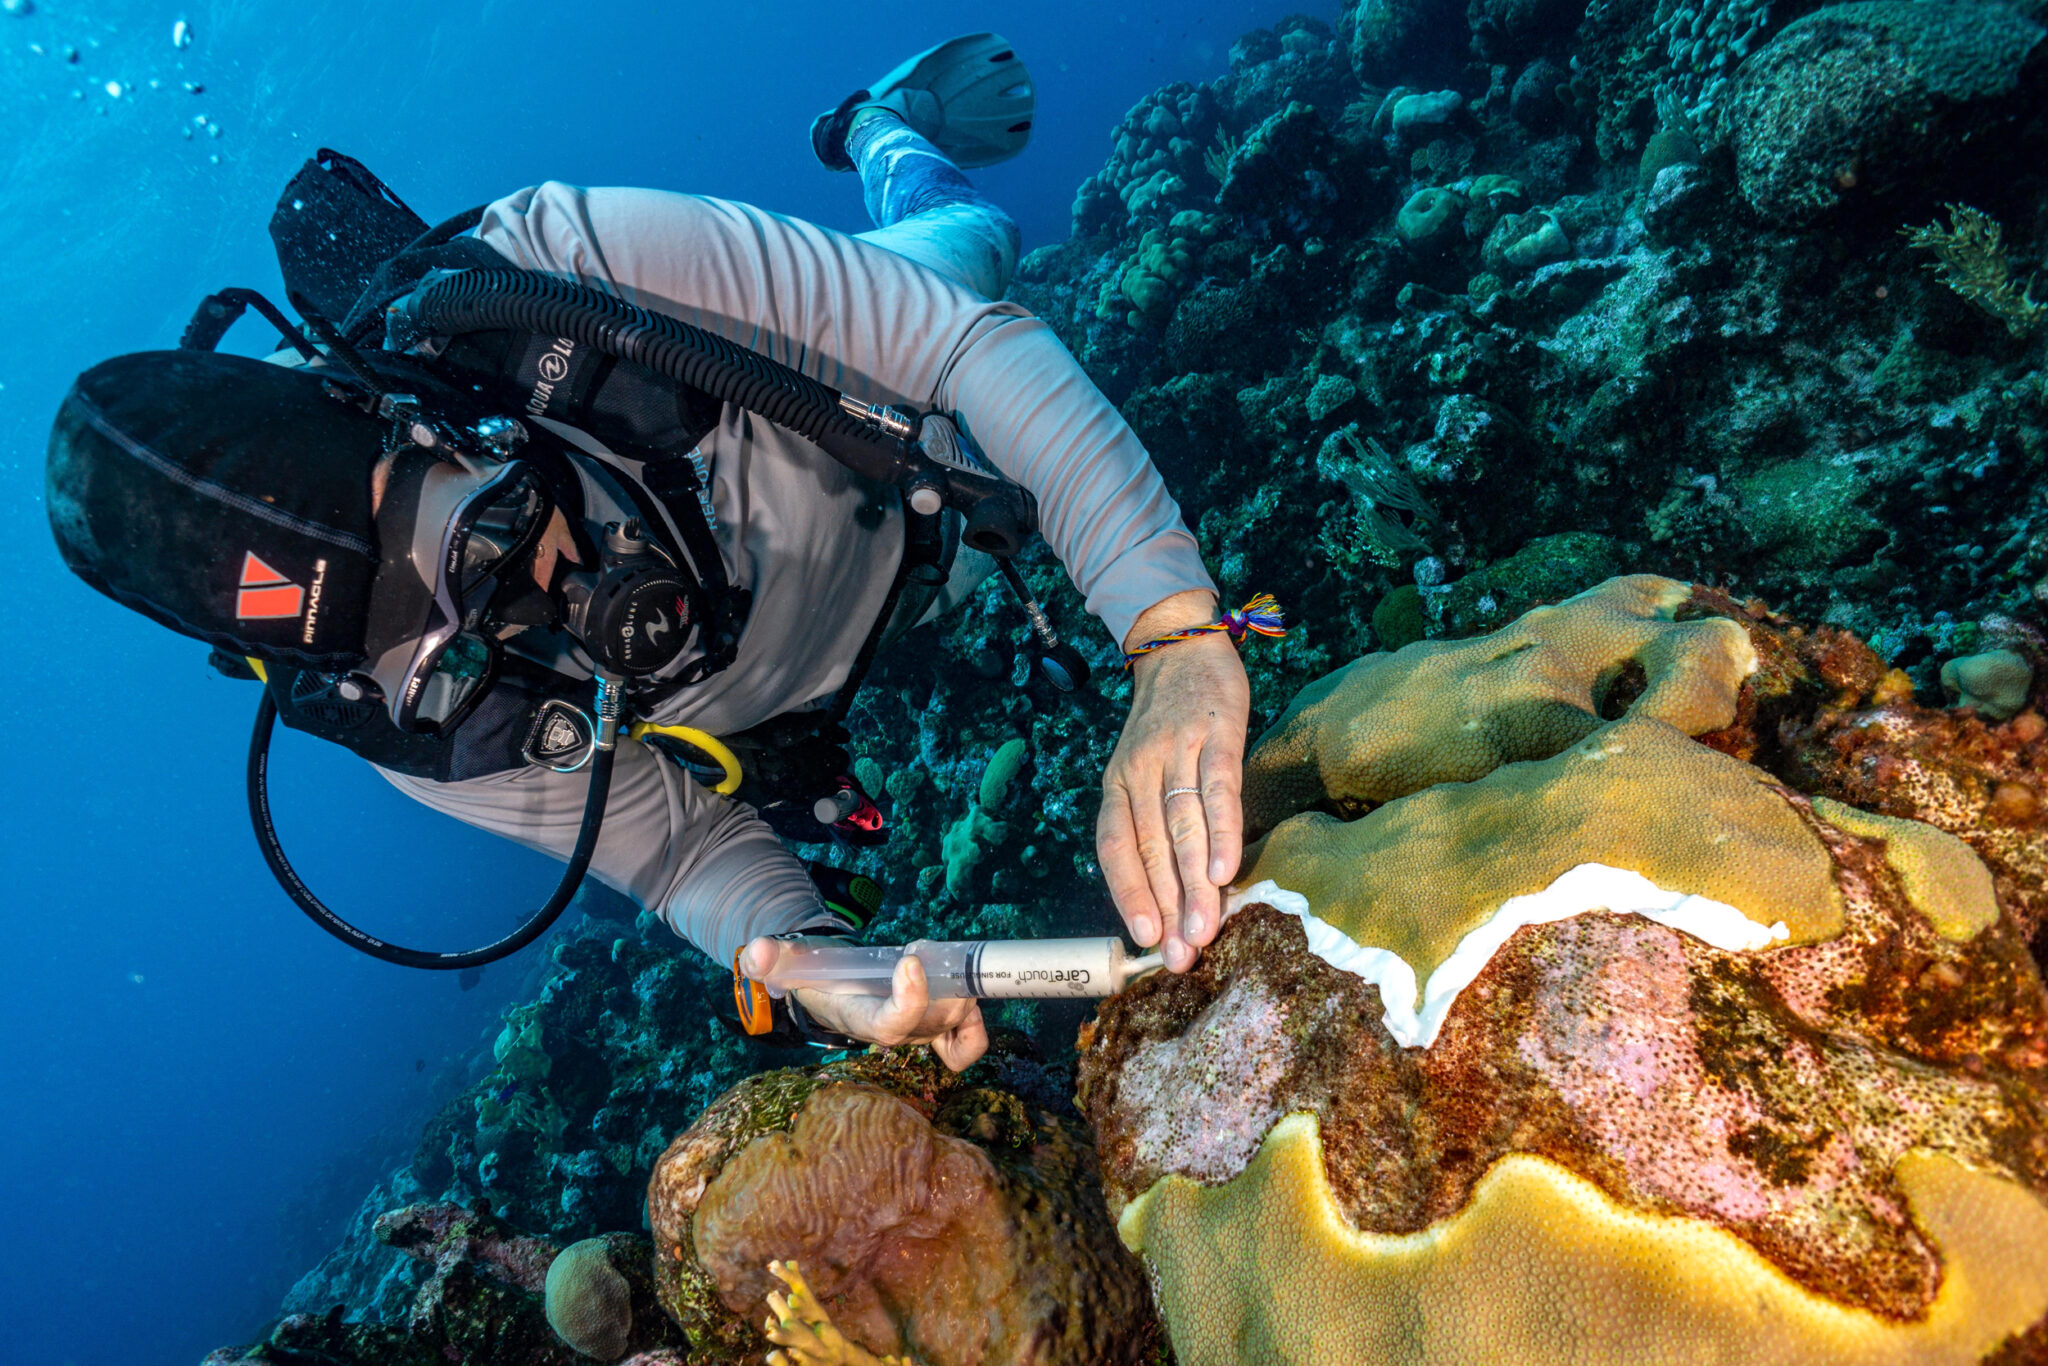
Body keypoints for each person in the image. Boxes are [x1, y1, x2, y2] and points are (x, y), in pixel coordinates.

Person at [45, 35, 1252, 1070]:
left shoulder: (557, 265)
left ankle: (880, 129)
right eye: (441, 657)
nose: (527, 607)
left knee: (979, 238)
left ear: (422, 413)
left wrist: (1173, 635)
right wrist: (817, 959)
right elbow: (676, 849)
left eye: (488, 535)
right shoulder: (398, 725)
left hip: (906, 427)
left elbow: (961, 350)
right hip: (892, 613)